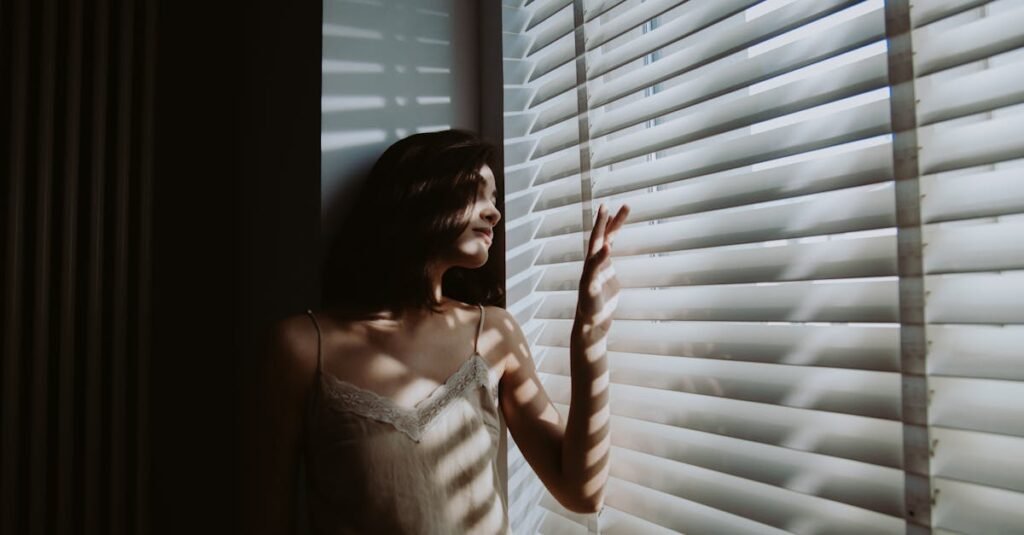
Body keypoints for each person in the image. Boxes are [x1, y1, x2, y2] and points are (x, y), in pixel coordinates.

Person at [242, 129, 629, 534]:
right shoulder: (301, 348)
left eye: (495, 199)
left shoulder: (493, 333)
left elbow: (582, 493)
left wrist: (588, 336)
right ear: (418, 193)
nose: (495, 214)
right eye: (476, 192)